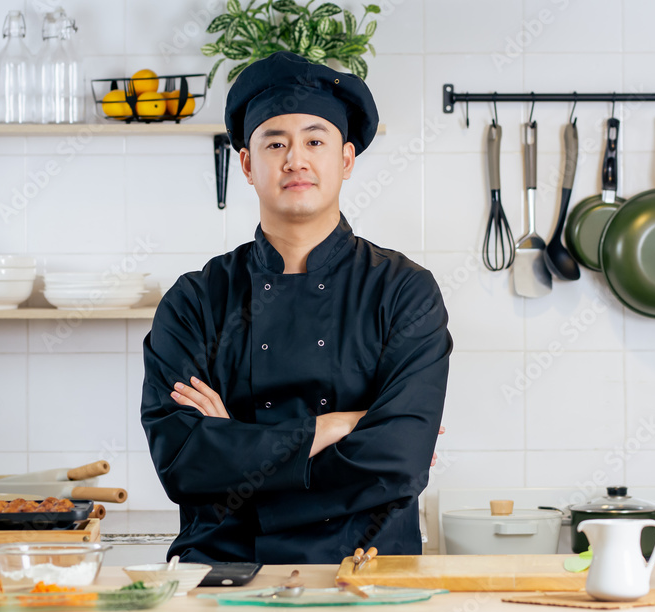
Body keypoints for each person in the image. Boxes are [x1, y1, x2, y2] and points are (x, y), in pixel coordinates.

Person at [141, 51, 452, 564]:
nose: (295, 159)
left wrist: (239, 452)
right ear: (246, 163)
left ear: (346, 160)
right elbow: (182, 461)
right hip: (223, 569)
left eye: (314, 141)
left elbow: (398, 457)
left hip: (366, 569)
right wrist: (337, 426)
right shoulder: (195, 300)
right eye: (275, 142)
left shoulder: (404, 292)